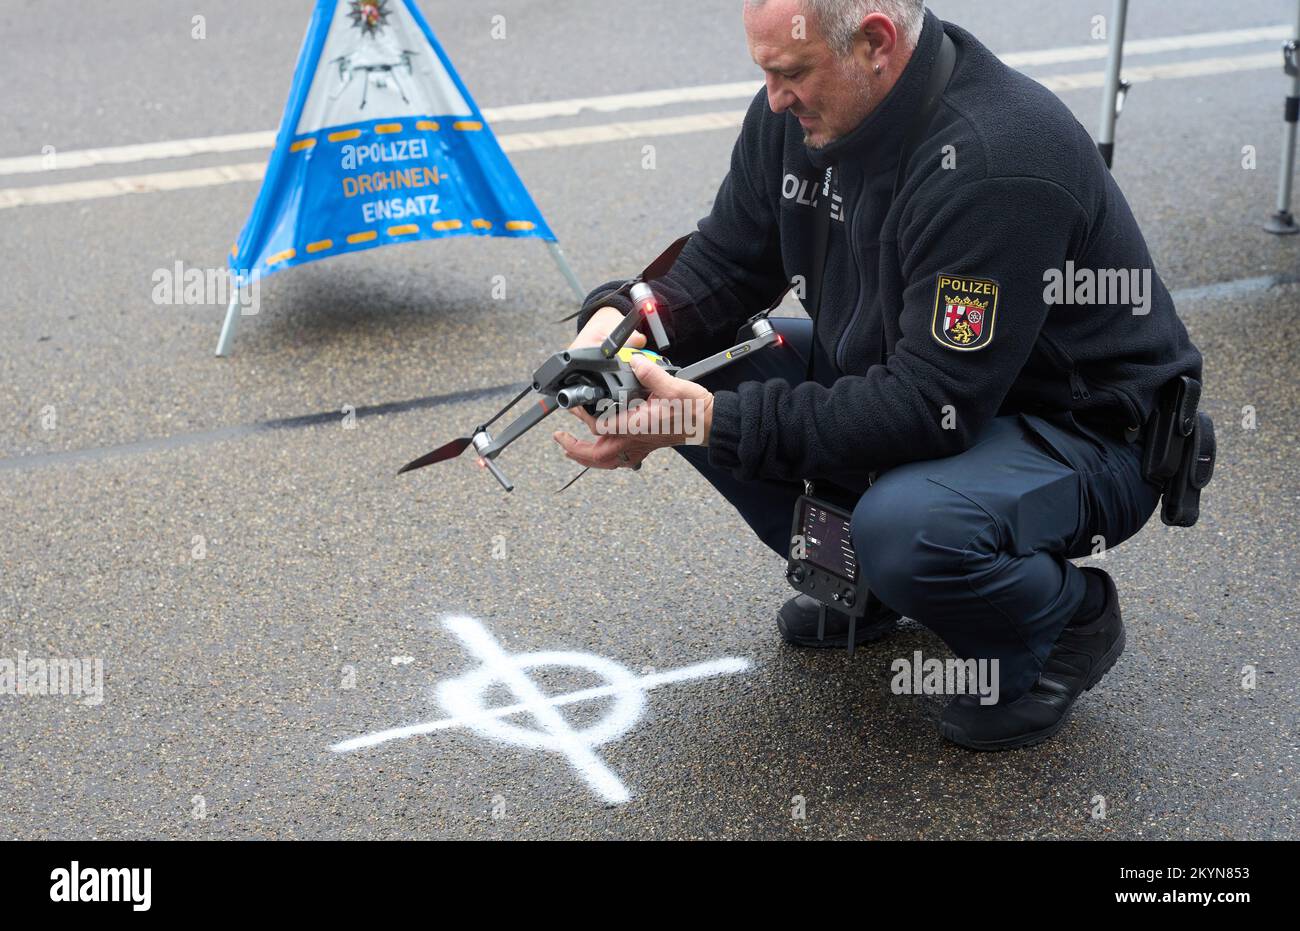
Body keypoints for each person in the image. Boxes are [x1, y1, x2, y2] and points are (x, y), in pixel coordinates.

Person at [553, 0, 1203, 750]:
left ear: (875, 42)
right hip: (920, 379)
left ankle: (1063, 620)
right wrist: (616, 328)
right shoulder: (795, 116)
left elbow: (930, 408)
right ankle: (863, 581)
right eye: (764, 73)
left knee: (910, 525)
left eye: (791, 73)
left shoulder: (998, 159)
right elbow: (726, 263)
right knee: (666, 367)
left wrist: (699, 421)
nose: (773, 98)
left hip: (1079, 427)